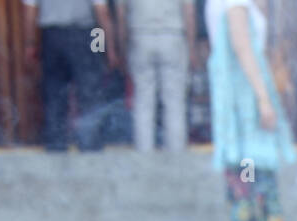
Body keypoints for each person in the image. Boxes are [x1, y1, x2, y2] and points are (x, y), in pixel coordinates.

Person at [205, 0, 296, 221]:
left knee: (254, 188)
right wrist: (263, 99)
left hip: (246, 104)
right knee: (250, 189)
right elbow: (243, 49)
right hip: (244, 108)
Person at [22, 0, 121, 151]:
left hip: (51, 36)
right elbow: (102, 12)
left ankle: (56, 151)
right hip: (88, 33)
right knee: (90, 98)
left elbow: (29, 9)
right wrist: (107, 48)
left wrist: (30, 43)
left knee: (54, 97)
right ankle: (90, 150)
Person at [117, 0, 196, 152]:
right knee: (175, 103)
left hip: (139, 36)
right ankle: (177, 157)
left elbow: (121, 14)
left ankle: (143, 156)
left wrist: (122, 46)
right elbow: (189, 11)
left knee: (142, 102)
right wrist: (191, 47)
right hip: (173, 36)